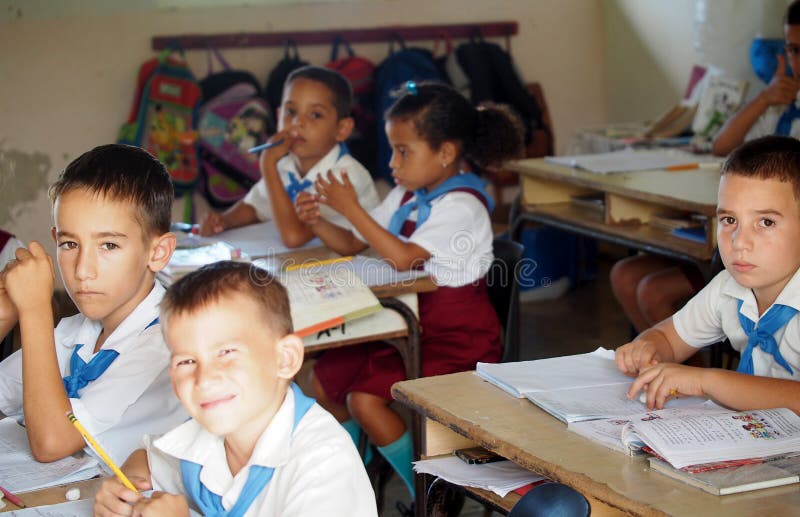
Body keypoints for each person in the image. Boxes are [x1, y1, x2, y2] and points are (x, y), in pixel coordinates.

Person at [295, 81, 524, 497]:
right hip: (405, 326)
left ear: (446, 153)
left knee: (364, 400)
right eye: (392, 150)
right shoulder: (407, 194)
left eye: (403, 151)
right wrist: (319, 222)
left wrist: (351, 208)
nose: (393, 163)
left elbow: (402, 259)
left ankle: (429, 492)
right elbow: (353, 242)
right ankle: (355, 474)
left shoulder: (462, 206)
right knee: (326, 381)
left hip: (455, 339)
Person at [93, 261, 377, 517]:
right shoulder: (206, 438)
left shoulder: (323, 467)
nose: (204, 379)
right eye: (187, 361)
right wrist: (124, 491)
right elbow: (148, 458)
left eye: (226, 352)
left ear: (284, 358)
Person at [0, 144, 187, 464]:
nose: (83, 270)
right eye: (70, 244)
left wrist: (34, 311)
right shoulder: (74, 332)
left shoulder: (165, 342)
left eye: (109, 245)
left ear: (158, 252)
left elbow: (51, 443)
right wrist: (5, 312)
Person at [616, 135, 800, 413]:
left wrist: (707, 381)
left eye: (765, 222)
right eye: (729, 220)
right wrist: (647, 347)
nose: (739, 241)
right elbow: (668, 338)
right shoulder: (728, 287)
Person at [199, 66, 380, 248]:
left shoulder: (343, 177)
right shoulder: (286, 166)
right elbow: (255, 207)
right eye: (291, 112)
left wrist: (268, 165)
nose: (297, 122)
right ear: (278, 117)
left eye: (315, 115)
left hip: (364, 267)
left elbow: (294, 237)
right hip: (312, 262)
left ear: (342, 129)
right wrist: (223, 221)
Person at [712, 0, 800, 157]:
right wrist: (764, 99)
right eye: (794, 50)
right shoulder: (783, 105)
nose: (799, 61)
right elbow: (721, 147)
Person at [610, 255, 706, 334]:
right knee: (624, 275)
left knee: (652, 293)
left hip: (712, 259)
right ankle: (652, 350)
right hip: (680, 252)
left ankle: (683, 356)